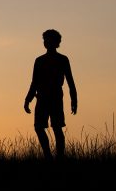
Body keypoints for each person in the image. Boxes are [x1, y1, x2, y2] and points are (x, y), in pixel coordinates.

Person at [24, 29, 77, 160]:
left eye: (49, 40)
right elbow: (34, 82)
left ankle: (59, 157)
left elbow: (70, 81)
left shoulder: (63, 60)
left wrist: (74, 100)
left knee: (57, 127)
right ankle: (48, 155)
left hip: (55, 97)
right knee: (39, 127)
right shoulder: (39, 61)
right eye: (45, 40)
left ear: (56, 42)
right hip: (41, 97)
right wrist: (28, 99)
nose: (46, 42)